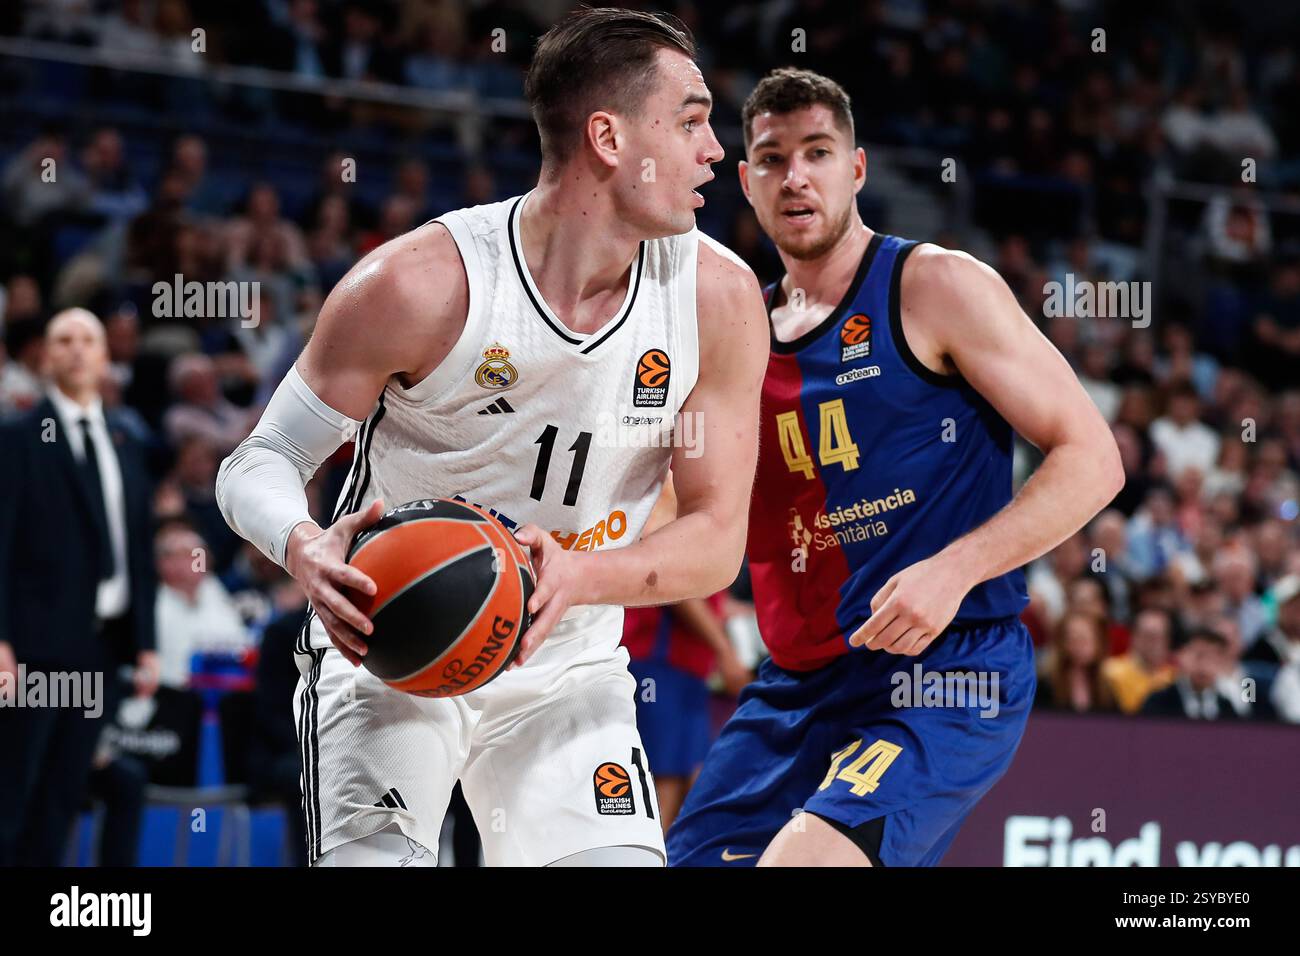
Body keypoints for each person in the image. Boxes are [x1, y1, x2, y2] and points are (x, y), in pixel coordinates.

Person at [216, 8, 767, 868]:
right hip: (392, 642)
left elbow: (715, 543)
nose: (716, 152)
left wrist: (581, 575)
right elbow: (260, 460)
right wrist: (303, 546)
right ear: (608, 137)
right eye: (692, 121)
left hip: (568, 663)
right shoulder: (417, 286)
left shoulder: (718, 300)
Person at [667, 68, 1123, 868]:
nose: (796, 176)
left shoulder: (936, 285)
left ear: (857, 169)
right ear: (745, 180)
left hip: (945, 668)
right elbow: (693, 514)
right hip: (797, 687)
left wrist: (954, 570)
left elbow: (1093, 459)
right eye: (772, 158)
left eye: (818, 152)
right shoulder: (736, 337)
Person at [0, 308, 159, 866]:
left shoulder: (126, 439)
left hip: (102, 645)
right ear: (44, 355)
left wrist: (146, 643)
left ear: (105, 355)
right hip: (35, 647)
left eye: (87, 339)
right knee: (14, 790)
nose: (75, 349)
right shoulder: (17, 438)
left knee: (64, 795)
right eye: (62, 339)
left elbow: (138, 549)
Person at [1140, 629, 1241, 721]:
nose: (1205, 665)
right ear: (1182, 655)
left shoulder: (1226, 707)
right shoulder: (1158, 702)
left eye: (1213, 658)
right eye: (1199, 656)